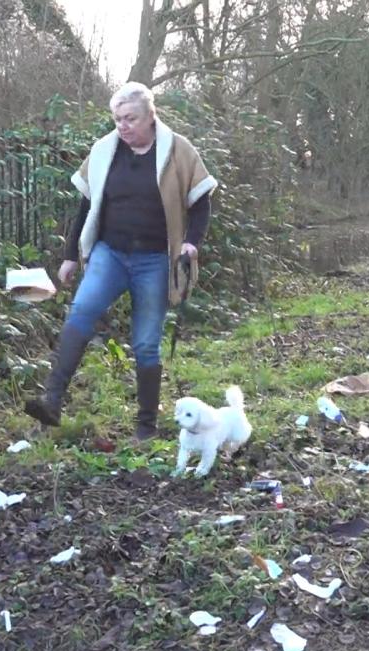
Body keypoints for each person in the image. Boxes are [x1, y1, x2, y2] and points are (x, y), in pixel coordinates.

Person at [24, 82, 217, 442]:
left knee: (145, 342)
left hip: (155, 259)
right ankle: (51, 401)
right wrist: (69, 256)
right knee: (81, 310)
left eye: (130, 118)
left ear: (150, 116)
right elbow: (86, 205)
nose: (123, 126)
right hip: (109, 253)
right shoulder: (104, 150)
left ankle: (145, 427)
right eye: (117, 119)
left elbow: (201, 202)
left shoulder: (178, 150)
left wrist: (192, 243)